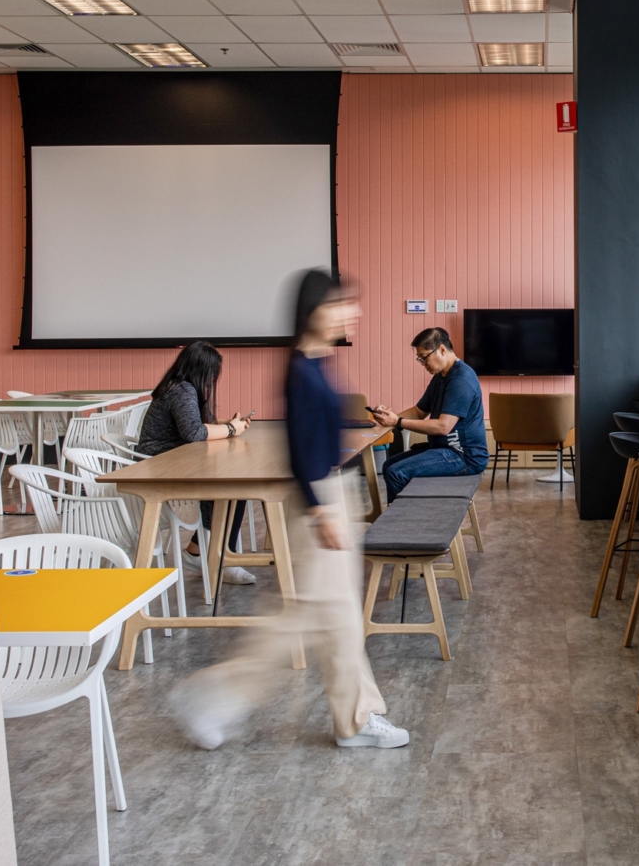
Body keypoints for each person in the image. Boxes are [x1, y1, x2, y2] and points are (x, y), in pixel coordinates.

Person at [170, 270, 407, 750]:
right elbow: (300, 450)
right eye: (343, 305)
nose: (352, 312)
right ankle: (212, 695)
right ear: (317, 312)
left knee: (337, 619)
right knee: (302, 618)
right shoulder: (301, 369)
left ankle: (356, 720)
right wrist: (322, 511)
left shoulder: (318, 363)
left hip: (335, 495)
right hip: (321, 502)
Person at [136, 341, 256, 584]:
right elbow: (194, 433)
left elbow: (198, 425)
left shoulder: (179, 386)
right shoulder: (182, 391)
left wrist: (228, 424)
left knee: (234, 486)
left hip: (171, 460)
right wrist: (231, 429)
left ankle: (203, 550)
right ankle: (221, 558)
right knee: (233, 486)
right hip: (160, 466)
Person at [371, 327, 489, 501]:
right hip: (444, 449)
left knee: (397, 472)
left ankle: (404, 524)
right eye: (420, 359)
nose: (423, 363)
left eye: (424, 357)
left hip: (464, 456)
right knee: (389, 465)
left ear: (441, 349)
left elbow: (443, 427)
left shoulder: (460, 380)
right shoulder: (441, 376)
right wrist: (389, 417)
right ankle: (400, 519)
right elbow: (419, 412)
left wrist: (398, 422)